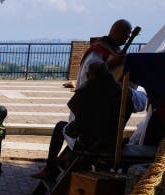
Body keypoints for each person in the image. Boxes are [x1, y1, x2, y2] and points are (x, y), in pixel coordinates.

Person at [31, 19, 147, 181]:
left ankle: (51, 169)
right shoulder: (127, 94)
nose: (127, 39)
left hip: (88, 142)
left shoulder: (88, 93)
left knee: (62, 128)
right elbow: (142, 101)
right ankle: (56, 167)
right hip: (109, 141)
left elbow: (77, 118)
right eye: (126, 35)